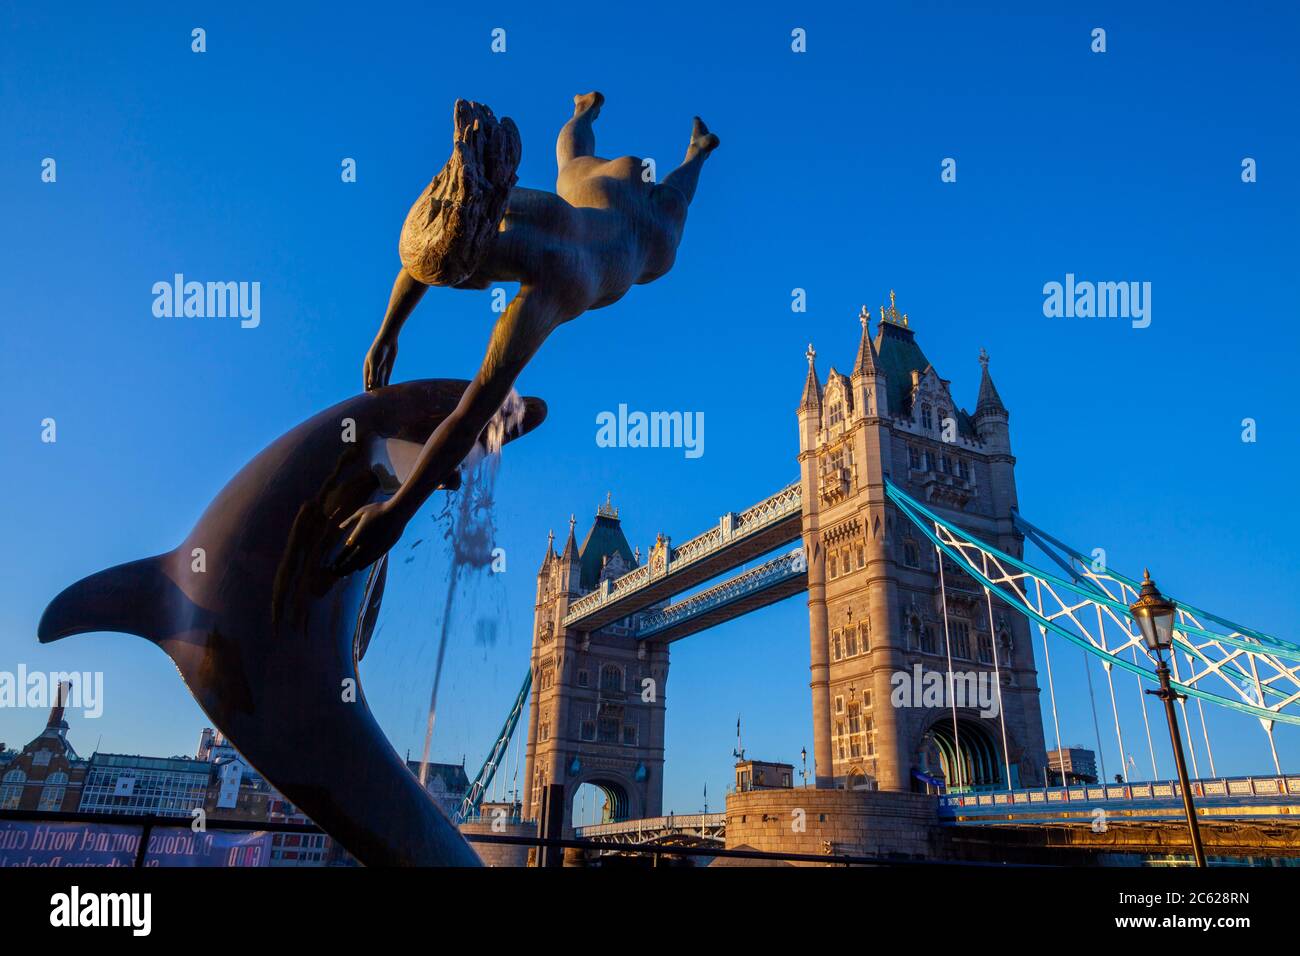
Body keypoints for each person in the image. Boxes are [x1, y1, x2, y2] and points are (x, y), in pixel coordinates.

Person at [333, 93, 719, 574]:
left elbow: (468, 416)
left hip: (646, 243)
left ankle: (696, 153)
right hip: (605, 186)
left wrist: (396, 514)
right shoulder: (506, 207)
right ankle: (594, 115)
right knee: (571, 162)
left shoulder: (555, 288)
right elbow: (431, 248)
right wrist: (387, 333)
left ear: (474, 278)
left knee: (672, 202)